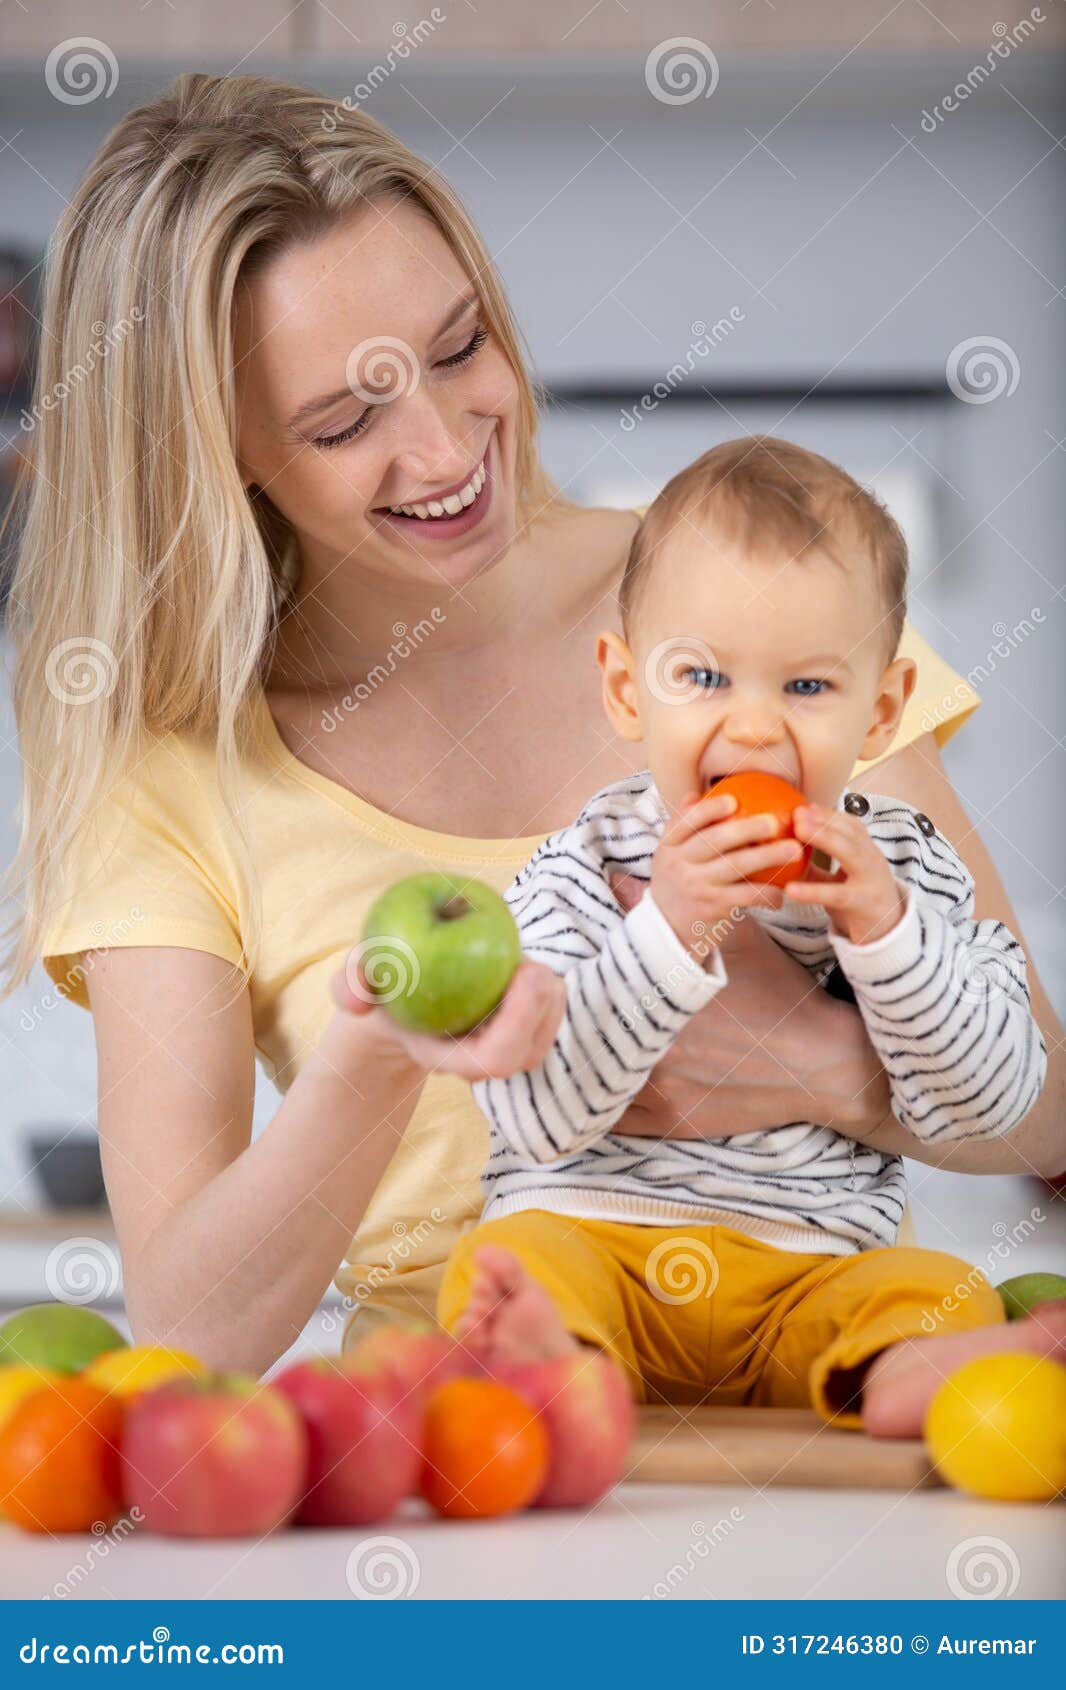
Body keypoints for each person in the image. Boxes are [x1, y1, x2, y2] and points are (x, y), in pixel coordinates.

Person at [4, 74, 1061, 1380]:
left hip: (828, 1419)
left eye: (459, 348)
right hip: (480, 1475)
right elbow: (190, 1323)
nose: (447, 447)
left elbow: (1041, 1110)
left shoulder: (760, 617)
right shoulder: (172, 777)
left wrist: (805, 1069)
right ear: (218, 450)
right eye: (343, 421)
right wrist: (378, 1055)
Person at [379, 435, 1053, 1433]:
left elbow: (994, 1102)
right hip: (597, 1242)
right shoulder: (577, 866)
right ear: (624, 690)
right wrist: (669, 924)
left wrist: (888, 937)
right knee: (510, 1264)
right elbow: (536, 1114)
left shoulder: (907, 873)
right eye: (701, 677)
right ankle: (556, 1364)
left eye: (808, 687)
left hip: (812, 1272)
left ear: (882, 711)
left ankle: (911, 1371)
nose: (749, 729)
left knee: (926, 1281)